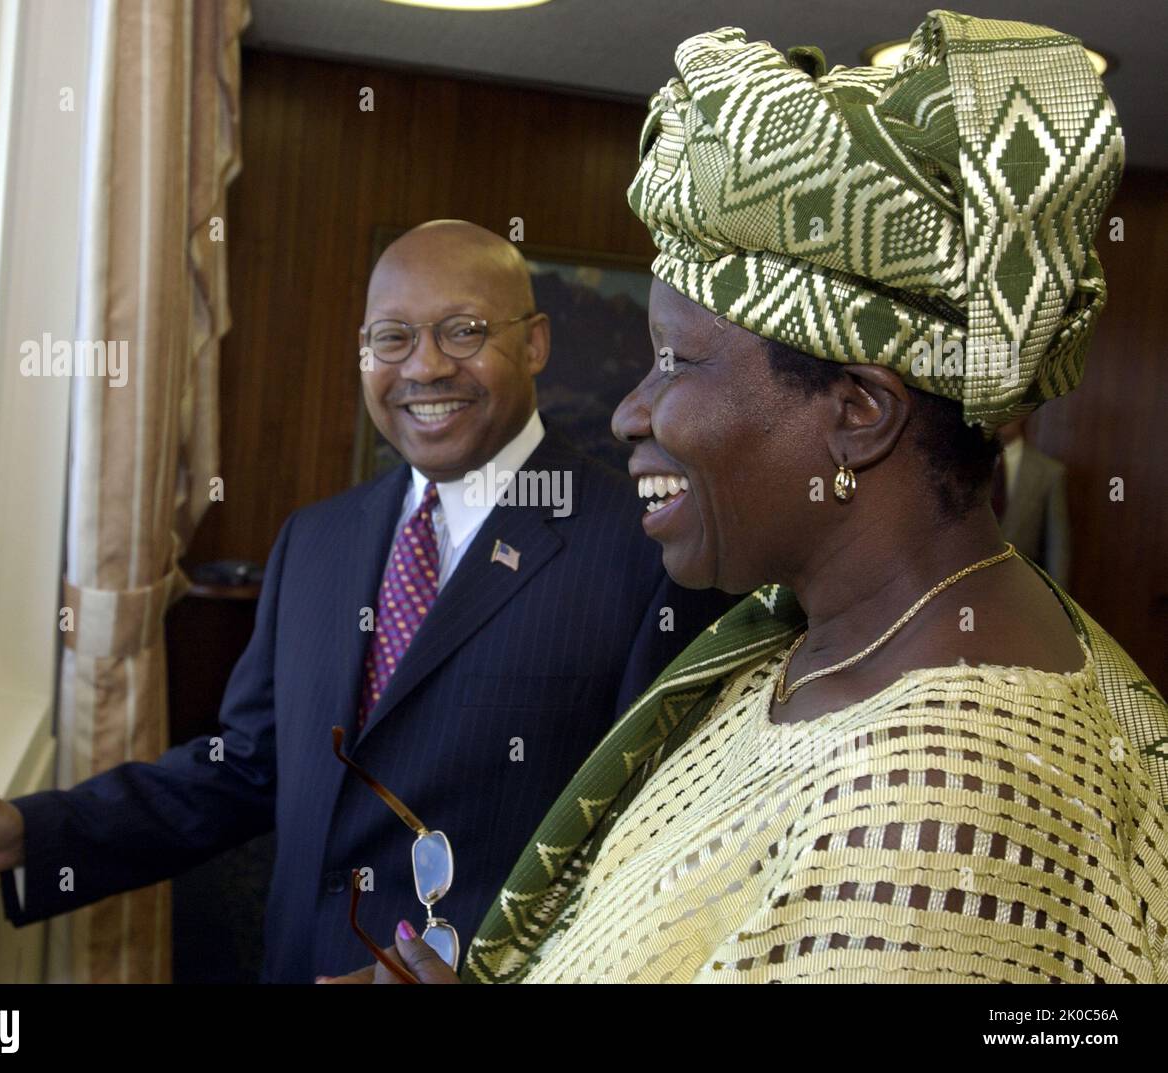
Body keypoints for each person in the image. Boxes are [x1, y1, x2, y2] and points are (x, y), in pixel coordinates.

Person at [325, 13, 1168, 985]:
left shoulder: (946, 829)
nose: (630, 412)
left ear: (857, 412)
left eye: (675, 362)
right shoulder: (817, 636)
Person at [0, 220, 733, 983]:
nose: (424, 367)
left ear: (537, 342)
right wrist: (35, 831)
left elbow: (660, 847)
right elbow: (247, 767)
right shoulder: (316, 540)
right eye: (392, 337)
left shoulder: (644, 551)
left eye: (464, 330)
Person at [992, 418, 1071, 586]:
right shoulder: (964, 466)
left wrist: (1058, 602)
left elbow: (1057, 546)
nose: (1006, 414)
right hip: (968, 588)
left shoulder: (1050, 472)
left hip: (1024, 590)